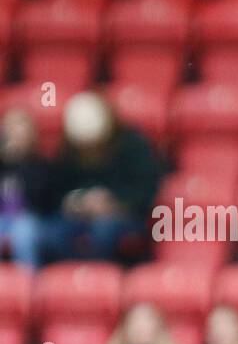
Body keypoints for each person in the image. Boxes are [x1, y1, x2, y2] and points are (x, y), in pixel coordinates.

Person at [40, 92, 162, 266]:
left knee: (105, 231)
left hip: (124, 216)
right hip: (79, 216)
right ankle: (70, 279)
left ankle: (100, 281)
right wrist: (76, 201)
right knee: (52, 233)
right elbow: (56, 190)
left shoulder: (134, 145)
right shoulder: (69, 150)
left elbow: (146, 190)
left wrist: (114, 203)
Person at [0, 106, 50, 268]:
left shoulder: (40, 164)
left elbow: (39, 198)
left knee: (24, 234)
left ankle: (27, 287)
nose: (16, 135)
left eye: (21, 129)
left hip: (29, 217)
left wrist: (19, 162)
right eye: (11, 129)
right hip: (2, 216)